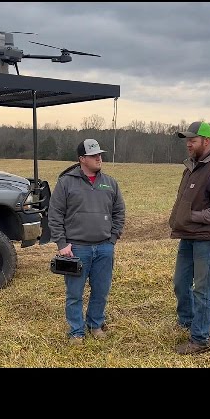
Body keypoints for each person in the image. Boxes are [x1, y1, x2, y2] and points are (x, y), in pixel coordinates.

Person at [48, 138, 126, 344]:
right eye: (93, 155)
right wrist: (62, 244)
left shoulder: (110, 183)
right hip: (76, 249)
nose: (99, 158)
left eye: (99, 154)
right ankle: (76, 331)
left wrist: (112, 239)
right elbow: (55, 214)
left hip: (104, 248)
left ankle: (95, 324)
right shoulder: (66, 182)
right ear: (82, 159)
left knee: (101, 291)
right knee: (74, 294)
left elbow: (119, 212)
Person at [169, 120, 210, 355]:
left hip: (205, 237)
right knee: (180, 282)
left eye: (192, 140)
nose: (188, 144)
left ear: (206, 141)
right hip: (188, 235)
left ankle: (200, 339)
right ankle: (186, 321)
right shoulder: (192, 166)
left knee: (203, 288)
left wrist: (193, 216)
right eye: (187, 140)